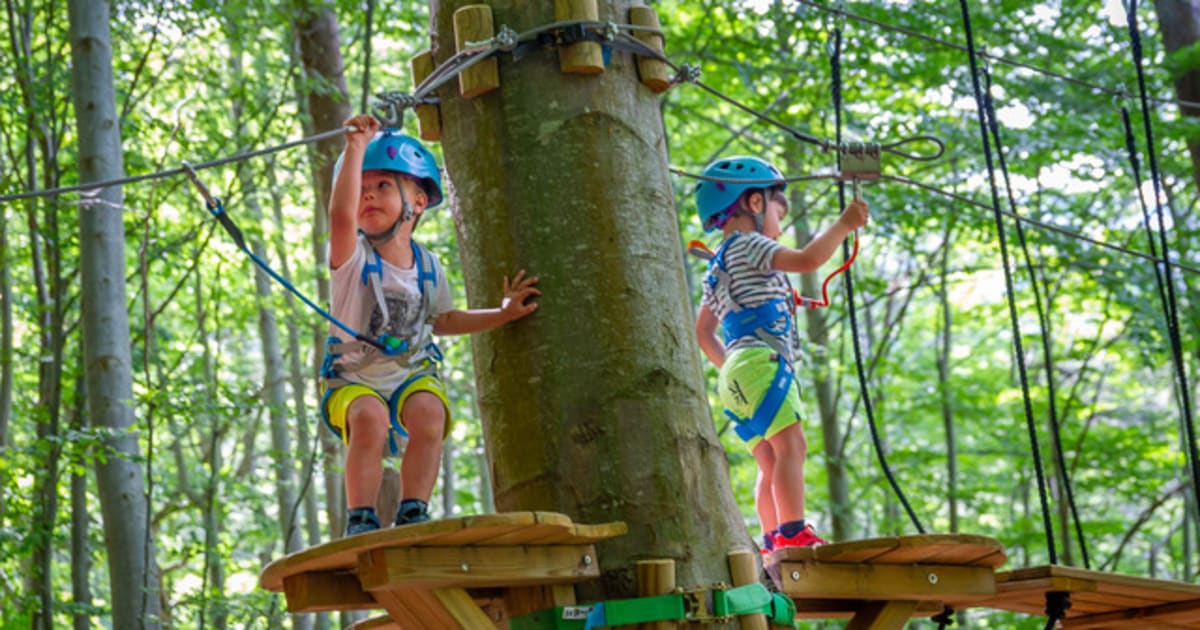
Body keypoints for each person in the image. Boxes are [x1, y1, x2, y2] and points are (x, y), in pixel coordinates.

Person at [322, 114, 540, 536]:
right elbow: (340, 216)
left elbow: (443, 320)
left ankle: (413, 510)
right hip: (353, 377)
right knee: (368, 418)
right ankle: (362, 517)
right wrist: (354, 148)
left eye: (383, 185)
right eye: (362, 188)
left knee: (430, 410)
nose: (368, 195)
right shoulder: (352, 260)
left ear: (418, 201)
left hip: (409, 371)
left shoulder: (428, 265)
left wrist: (503, 313)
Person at [692, 156, 868, 553]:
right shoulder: (753, 244)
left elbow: (704, 334)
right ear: (754, 204)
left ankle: (773, 541)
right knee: (793, 448)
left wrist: (738, 369)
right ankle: (793, 533)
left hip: (735, 374)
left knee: (769, 462)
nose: (779, 227)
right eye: (778, 214)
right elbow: (807, 260)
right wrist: (845, 224)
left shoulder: (716, 266)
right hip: (760, 364)